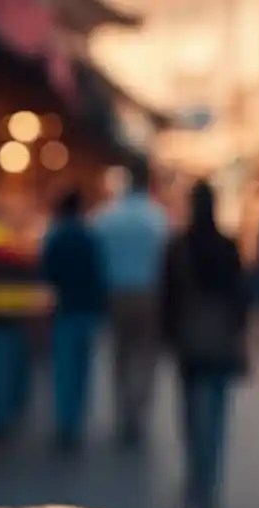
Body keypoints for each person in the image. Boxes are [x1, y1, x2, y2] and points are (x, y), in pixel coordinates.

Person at [160, 181, 251, 503]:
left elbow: (168, 297)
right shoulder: (227, 246)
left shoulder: (178, 246)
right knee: (217, 407)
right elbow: (241, 296)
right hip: (220, 337)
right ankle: (211, 470)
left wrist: (168, 336)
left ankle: (195, 469)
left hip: (189, 338)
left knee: (189, 407)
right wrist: (240, 334)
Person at [91, 161, 170, 446]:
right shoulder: (156, 217)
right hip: (148, 295)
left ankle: (125, 411)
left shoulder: (107, 217)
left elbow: (96, 257)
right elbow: (166, 260)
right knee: (145, 358)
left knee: (121, 356)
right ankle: (138, 411)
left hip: (116, 294)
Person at [41, 191, 108, 450]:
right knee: (82, 370)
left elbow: (47, 271)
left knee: (64, 369)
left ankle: (65, 423)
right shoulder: (91, 237)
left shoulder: (55, 236)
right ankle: (77, 421)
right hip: (88, 310)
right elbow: (100, 272)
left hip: (65, 308)